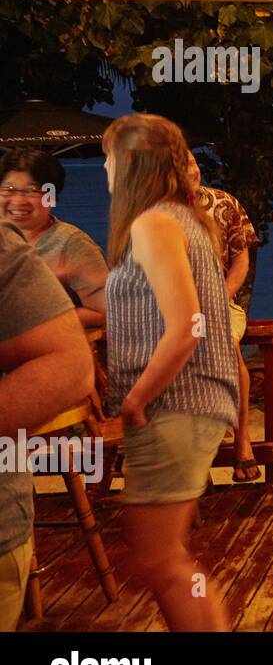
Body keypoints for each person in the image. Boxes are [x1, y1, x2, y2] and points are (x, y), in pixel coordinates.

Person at [101, 114, 240, 631]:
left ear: (134, 165)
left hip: (174, 404)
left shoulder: (154, 223)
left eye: (110, 160)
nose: (106, 172)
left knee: (159, 561)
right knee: (171, 559)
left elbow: (187, 327)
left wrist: (135, 400)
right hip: (192, 404)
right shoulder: (183, 219)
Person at [0, 224, 95, 631]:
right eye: (9, 188)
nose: (16, 197)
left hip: (63, 419)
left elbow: (107, 308)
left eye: (26, 188)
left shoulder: (73, 240)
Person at [186, 151, 260, 483]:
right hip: (174, 306)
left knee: (227, 349)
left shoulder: (223, 203)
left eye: (192, 163)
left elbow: (242, 260)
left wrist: (219, 297)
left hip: (220, 302)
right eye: (181, 165)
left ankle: (241, 438)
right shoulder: (154, 212)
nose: (192, 170)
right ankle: (194, 452)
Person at [0, 148, 107, 326]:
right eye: (8, 189)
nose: (18, 200)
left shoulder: (72, 243)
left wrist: (38, 320)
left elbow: (103, 313)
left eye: (32, 190)